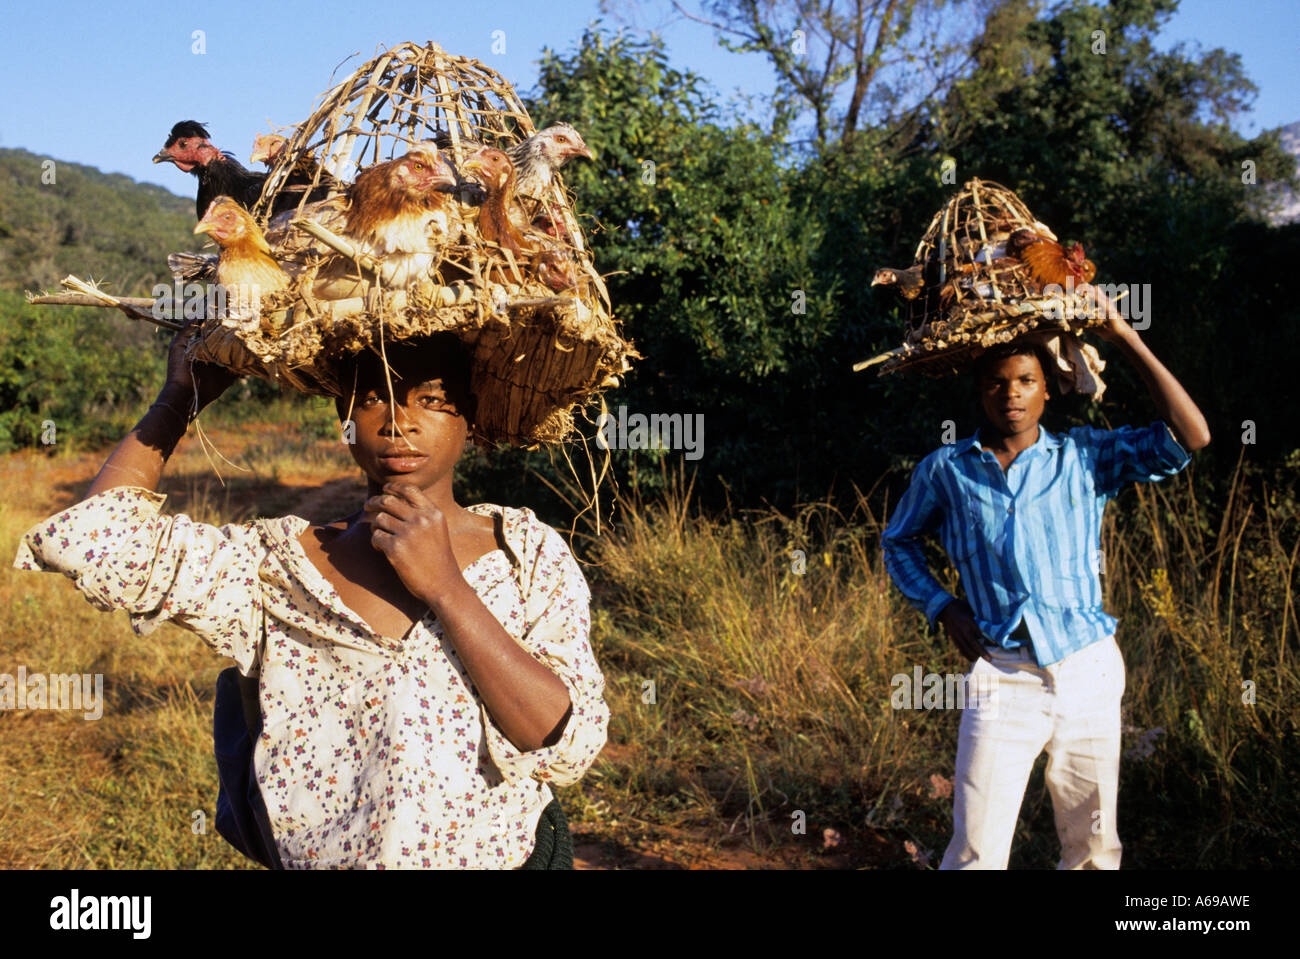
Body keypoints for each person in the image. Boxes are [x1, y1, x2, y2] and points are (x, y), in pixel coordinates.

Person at [13, 328, 609, 869]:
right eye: (373, 398)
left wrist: (448, 587)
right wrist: (180, 399)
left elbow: (565, 742)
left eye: (429, 400)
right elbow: (93, 540)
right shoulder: (281, 567)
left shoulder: (523, 551)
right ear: (343, 417)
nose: (397, 422)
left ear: (470, 420)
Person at [880, 297, 1210, 869]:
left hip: (1088, 669)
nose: (1011, 393)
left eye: (1026, 380)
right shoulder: (947, 470)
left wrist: (1125, 338)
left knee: (1093, 848)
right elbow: (898, 542)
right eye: (996, 383)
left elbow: (1191, 436)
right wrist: (942, 606)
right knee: (977, 848)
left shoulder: (1085, 457)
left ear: (1048, 389)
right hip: (1002, 675)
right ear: (979, 392)